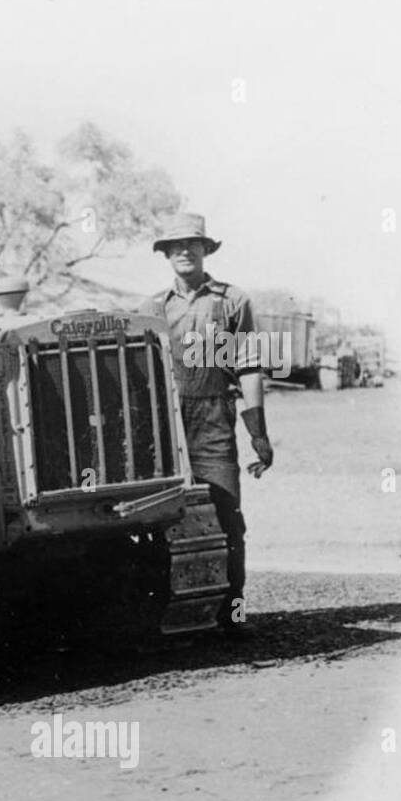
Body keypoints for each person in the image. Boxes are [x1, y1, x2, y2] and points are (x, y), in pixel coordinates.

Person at [139, 213, 273, 636]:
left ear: (205, 249)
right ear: (164, 253)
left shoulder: (232, 301)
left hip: (214, 424)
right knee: (157, 524)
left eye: (192, 244)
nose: (184, 251)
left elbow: (249, 368)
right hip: (166, 428)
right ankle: (158, 618)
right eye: (174, 245)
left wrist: (258, 435)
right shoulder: (151, 308)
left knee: (228, 521)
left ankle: (231, 617)